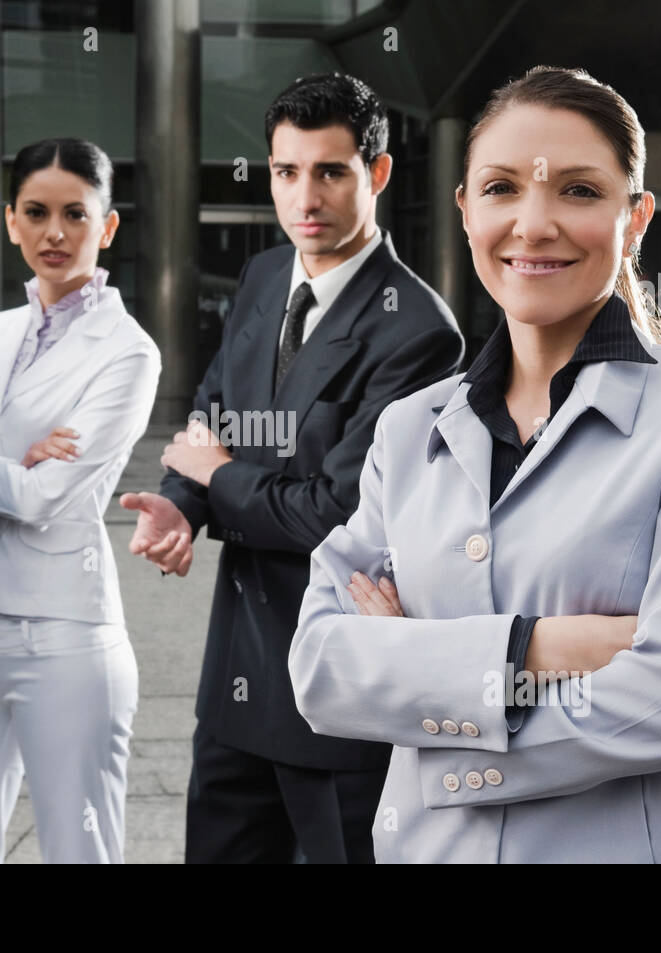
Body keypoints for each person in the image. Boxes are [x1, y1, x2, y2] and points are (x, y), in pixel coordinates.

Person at [289, 66, 661, 863]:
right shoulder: (407, 428)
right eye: (499, 188)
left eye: (580, 191)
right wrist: (535, 646)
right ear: (464, 211)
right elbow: (320, 668)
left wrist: (426, 701)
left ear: (636, 217)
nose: (533, 223)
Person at [121, 73, 465, 863]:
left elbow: (337, 516)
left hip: (338, 708)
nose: (305, 197)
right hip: (236, 683)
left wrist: (214, 479)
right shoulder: (264, 276)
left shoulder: (419, 333)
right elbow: (217, 408)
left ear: (376, 174)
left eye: (331, 171)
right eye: (286, 172)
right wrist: (182, 502)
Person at [0, 138, 160, 864]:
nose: (56, 232)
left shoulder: (129, 352)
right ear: (10, 221)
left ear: (106, 226)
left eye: (76, 214)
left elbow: (47, 499)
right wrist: (3, 466)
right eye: (37, 212)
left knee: (78, 853)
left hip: (64, 640)